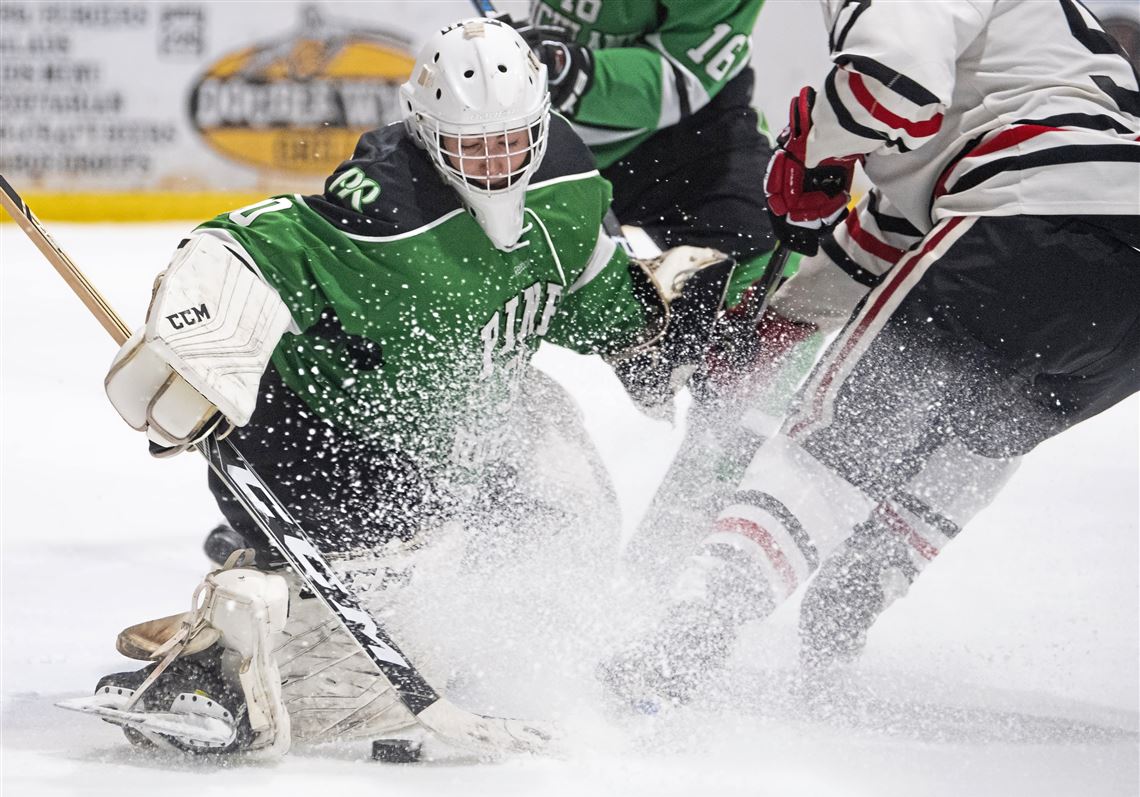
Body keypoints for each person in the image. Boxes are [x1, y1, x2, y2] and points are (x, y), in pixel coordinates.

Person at [72, 18, 735, 756]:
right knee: (382, 648)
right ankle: (219, 669)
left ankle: (442, 640)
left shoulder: (570, 179)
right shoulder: (387, 206)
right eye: (472, 147)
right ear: (425, 129)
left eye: (513, 141)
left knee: (570, 510)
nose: (497, 166)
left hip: (471, 416)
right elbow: (245, 246)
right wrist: (200, 340)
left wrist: (646, 326)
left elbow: (582, 284)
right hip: (319, 440)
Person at [601, 0, 1140, 709]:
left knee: (837, 449)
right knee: (973, 443)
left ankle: (691, 631)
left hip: (1032, 210)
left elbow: (892, 80)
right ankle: (843, 621)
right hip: (1120, 296)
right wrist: (785, 318)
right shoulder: (1035, 55)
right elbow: (898, 223)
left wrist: (811, 150)